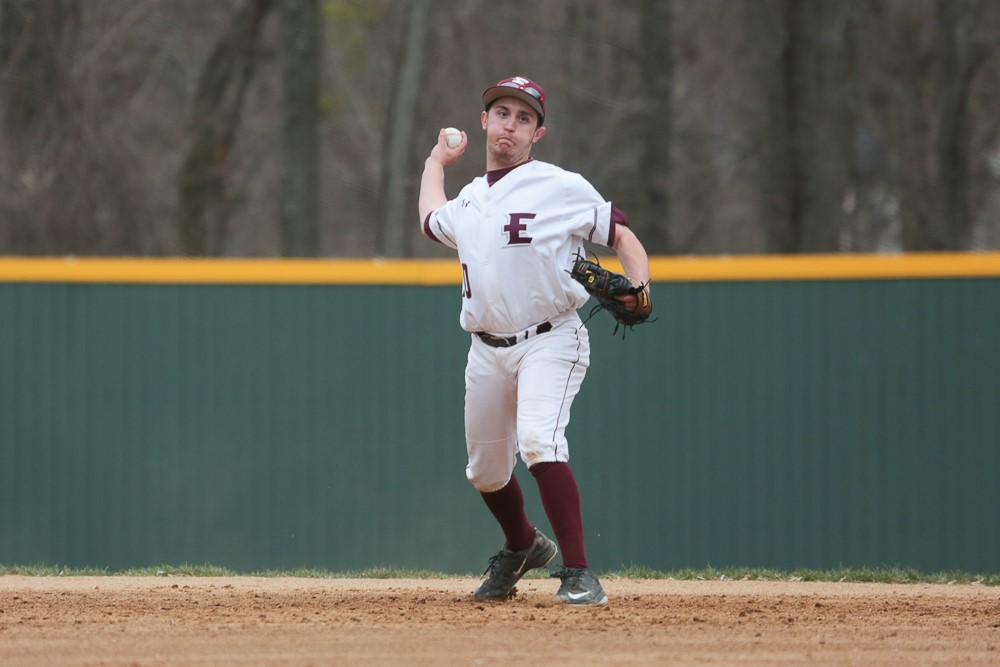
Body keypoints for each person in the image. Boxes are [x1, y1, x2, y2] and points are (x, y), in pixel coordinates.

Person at [417, 75, 652, 606]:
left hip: (551, 340)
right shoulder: (471, 200)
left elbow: (622, 237)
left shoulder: (559, 185)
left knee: (540, 443)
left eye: (524, 119)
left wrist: (638, 285)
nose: (511, 125)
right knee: (485, 473)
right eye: (503, 113)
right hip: (486, 349)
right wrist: (435, 164)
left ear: (537, 134)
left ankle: (579, 574)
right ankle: (522, 545)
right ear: (485, 122)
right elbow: (431, 219)